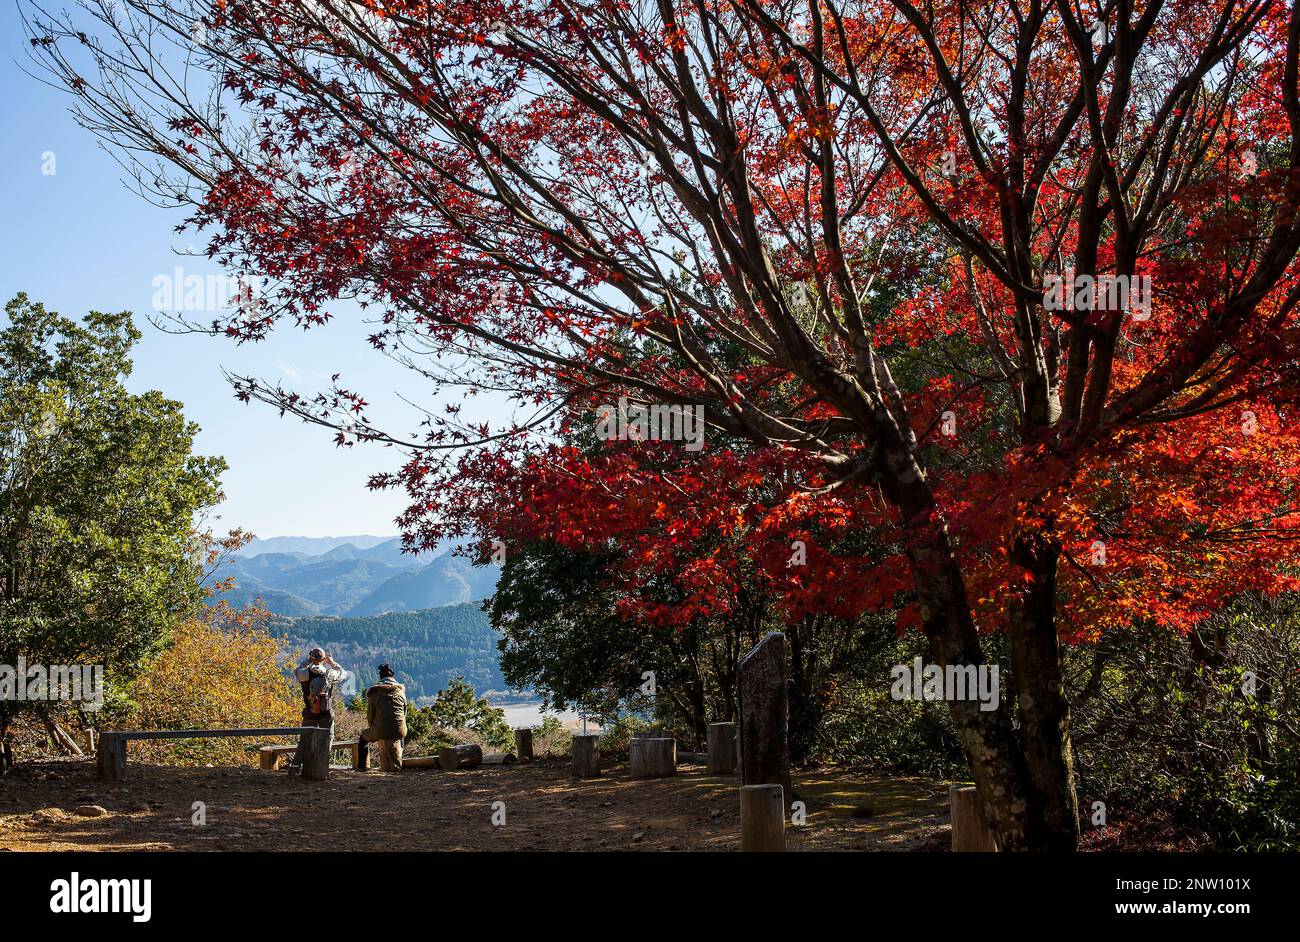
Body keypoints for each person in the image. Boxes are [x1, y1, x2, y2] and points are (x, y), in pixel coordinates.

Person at [290, 647, 348, 768]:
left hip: (310, 711)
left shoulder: (304, 673)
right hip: (326, 712)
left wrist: (308, 661)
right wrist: (331, 662)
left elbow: (296, 670)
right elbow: (343, 673)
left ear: (311, 657)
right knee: (328, 737)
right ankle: (321, 764)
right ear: (323, 659)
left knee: (305, 738)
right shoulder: (330, 673)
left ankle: (295, 766)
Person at [356, 663, 407, 772]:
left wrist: (374, 727)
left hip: (380, 729)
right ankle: (398, 764)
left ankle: (362, 767)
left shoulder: (374, 693)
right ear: (393, 677)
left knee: (363, 739)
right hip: (400, 730)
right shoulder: (401, 692)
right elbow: (404, 711)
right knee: (398, 735)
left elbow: (370, 715)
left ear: (381, 677)